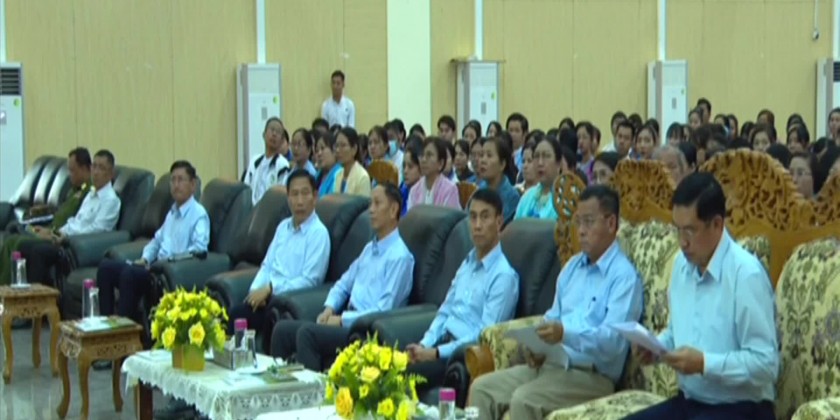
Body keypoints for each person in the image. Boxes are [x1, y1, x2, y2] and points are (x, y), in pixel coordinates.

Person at [469, 185, 644, 420]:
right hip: (552, 366)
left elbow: (613, 343)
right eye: (578, 222)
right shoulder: (572, 267)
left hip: (591, 377)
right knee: (482, 388)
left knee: (524, 399)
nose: (580, 231)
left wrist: (565, 334)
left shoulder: (623, 277)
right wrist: (538, 345)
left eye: (589, 222)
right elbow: (553, 315)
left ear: (611, 224)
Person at [623, 172, 778, 420]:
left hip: (742, 408)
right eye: (678, 230)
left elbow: (765, 365)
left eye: (690, 231)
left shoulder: (745, 274)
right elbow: (677, 332)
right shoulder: (681, 265)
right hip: (691, 402)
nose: (682, 242)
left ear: (717, 224)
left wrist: (705, 364)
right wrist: (656, 347)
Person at [271, 183, 415, 372]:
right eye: (370, 203)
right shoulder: (369, 249)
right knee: (283, 330)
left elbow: (383, 309)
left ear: (394, 209)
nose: (370, 210)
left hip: (365, 332)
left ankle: (313, 396)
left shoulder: (400, 257)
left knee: (307, 334)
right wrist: (329, 308)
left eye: (377, 204)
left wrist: (342, 320)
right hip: (346, 320)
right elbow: (343, 284)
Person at [405, 189, 519, 392]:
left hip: (464, 356)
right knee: (388, 363)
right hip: (441, 343)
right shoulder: (467, 262)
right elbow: (445, 310)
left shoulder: (503, 276)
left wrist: (436, 353)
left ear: (499, 222)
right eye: (473, 217)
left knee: (400, 376)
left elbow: (484, 337)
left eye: (485, 217)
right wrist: (424, 344)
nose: (477, 225)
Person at [98, 159, 208, 323]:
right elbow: (156, 241)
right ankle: (105, 325)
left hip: (169, 273)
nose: (176, 185)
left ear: (193, 185)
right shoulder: (172, 212)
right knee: (106, 267)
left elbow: (199, 249)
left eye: (181, 180)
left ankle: (123, 332)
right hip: (153, 268)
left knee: (129, 274)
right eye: (173, 180)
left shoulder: (199, 214)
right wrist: (145, 258)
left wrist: (168, 262)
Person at [229, 170, 330, 344]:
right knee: (230, 315)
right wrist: (255, 291)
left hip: (287, 301)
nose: (299, 201)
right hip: (266, 297)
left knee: (246, 317)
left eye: (305, 194)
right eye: (294, 194)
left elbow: (310, 280)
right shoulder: (283, 227)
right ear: (288, 198)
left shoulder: (318, 234)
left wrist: (270, 290)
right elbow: (267, 265)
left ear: (315, 196)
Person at [19, 150, 121, 289]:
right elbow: (75, 221)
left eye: (101, 168)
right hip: (64, 238)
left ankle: (36, 301)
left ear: (110, 174)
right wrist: (53, 232)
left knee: (38, 252)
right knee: (24, 244)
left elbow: (97, 230)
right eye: (94, 166)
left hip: (77, 247)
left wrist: (64, 236)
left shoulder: (111, 200)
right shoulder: (90, 195)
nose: (95, 172)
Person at [1, 148, 92, 285]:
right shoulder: (73, 190)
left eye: (73, 170)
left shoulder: (89, 194)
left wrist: (52, 233)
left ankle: (7, 288)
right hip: (49, 228)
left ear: (85, 168)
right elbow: (58, 213)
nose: (69, 175)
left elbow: (77, 223)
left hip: (57, 237)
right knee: (12, 233)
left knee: (16, 240)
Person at [514, 137, 569, 220]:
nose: (540, 163)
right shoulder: (528, 196)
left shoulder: (566, 197)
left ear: (558, 163)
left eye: (546, 156)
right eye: (536, 156)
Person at [242, 117, 291, 205]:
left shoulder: (282, 165)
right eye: (272, 130)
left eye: (278, 132)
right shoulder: (254, 161)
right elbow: (246, 188)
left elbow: (280, 196)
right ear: (264, 135)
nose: (274, 134)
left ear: (282, 140)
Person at [407, 137, 460, 210]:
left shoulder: (450, 190)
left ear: (440, 163)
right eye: (422, 155)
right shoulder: (414, 190)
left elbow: (450, 220)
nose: (424, 160)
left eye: (429, 155)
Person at [478, 137, 520, 224]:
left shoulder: (512, 197)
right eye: (481, 155)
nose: (483, 160)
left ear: (502, 164)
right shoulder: (479, 189)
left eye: (489, 156)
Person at [333, 127, 371, 197]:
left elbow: (363, 206)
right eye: (336, 146)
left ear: (354, 149)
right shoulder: (338, 175)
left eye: (343, 145)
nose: (338, 150)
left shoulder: (362, 177)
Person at [315, 131, 341, 197]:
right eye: (317, 150)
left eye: (322, 148)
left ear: (334, 151)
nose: (319, 153)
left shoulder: (340, 174)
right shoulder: (317, 175)